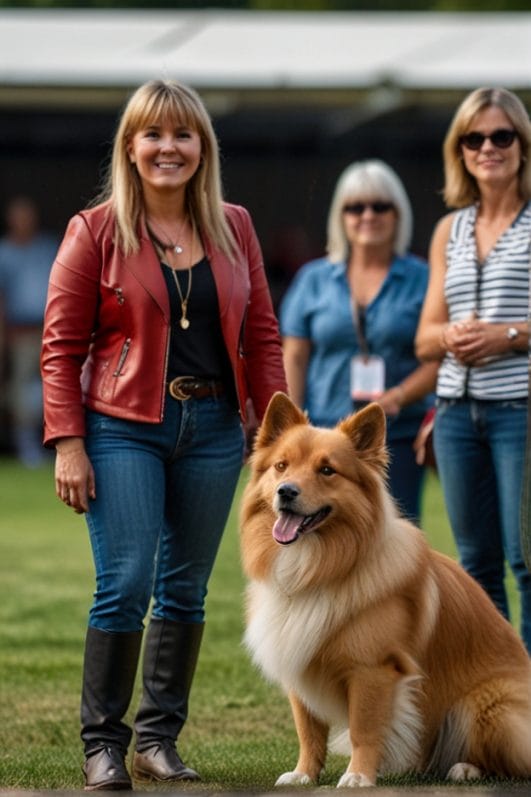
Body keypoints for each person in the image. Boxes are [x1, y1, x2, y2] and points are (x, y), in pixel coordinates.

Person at [40, 79, 287, 790]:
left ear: (202, 147)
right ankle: (102, 745)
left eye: (183, 134)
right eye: (153, 134)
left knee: (186, 589)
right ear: (131, 146)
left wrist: (279, 441)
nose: (168, 147)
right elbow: (59, 348)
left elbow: (262, 336)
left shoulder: (234, 226)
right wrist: (68, 441)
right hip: (121, 428)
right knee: (125, 582)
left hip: (214, 426)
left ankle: (156, 741)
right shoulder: (94, 231)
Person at [415, 87, 531, 652]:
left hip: (520, 412)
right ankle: (499, 691)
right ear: (459, 151)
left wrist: (507, 335)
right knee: (476, 564)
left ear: (523, 146)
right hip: (457, 414)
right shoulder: (449, 230)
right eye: (474, 138)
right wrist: (452, 335)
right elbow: (424, 338)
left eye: (501, 136)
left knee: (526, 558)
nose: (489, 147)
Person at [280, 159, 438, 524]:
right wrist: (293, 426)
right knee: (310, 530)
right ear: (341, 215)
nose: (368, 215)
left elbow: (438, 358)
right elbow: (296, 356)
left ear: (398, 214)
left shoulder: (423, 277)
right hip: (320, 434)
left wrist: (398, 396)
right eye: (356, 207)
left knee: (393, 533)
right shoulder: (313, 279)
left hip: (393, 437)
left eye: (380, 206)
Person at [0, 196, 57, 466]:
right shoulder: (4, 252)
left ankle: (55, 440)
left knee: (55, 386)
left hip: (51, 329)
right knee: (23, 390)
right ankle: (26, 446)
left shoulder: (47, 248)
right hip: (20, 330)